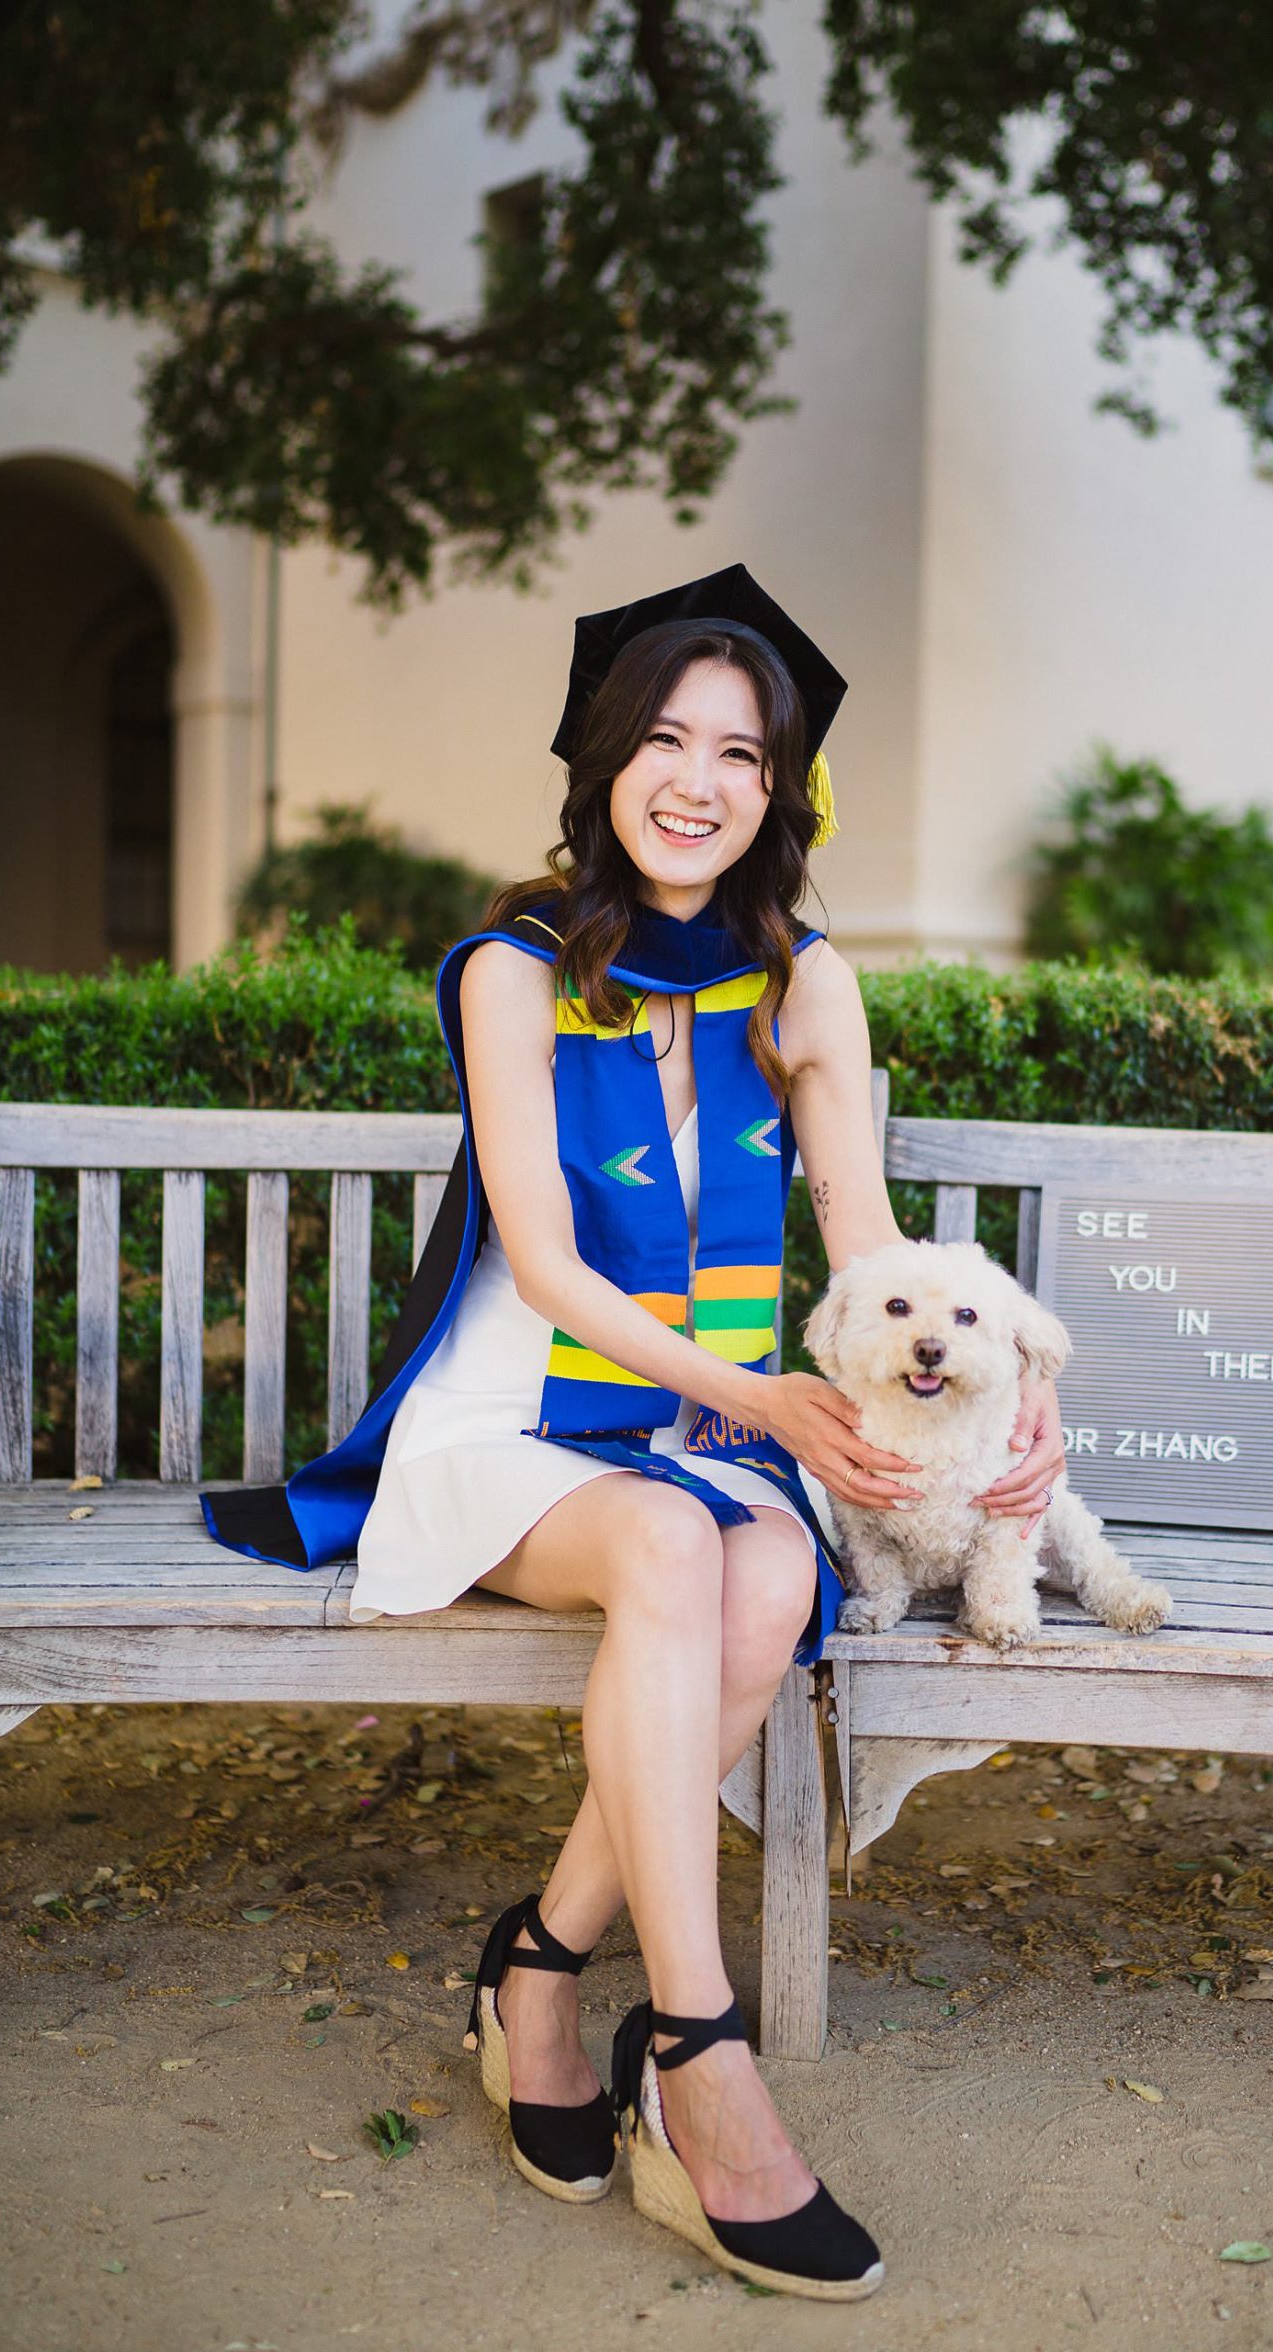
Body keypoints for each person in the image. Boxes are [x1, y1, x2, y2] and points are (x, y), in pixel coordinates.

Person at [201, 564, 1066, 2300]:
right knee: (686, 1543)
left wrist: (1010, 1416)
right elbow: (540, 1260)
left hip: (711, 1434)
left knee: (749, 1582)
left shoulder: (805, 986)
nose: (698, 780)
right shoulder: (514, 974)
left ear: (780, 791)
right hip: (517, 1430)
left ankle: (538, 1966)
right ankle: (696, 2056)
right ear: (602, 764)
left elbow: (874, 1246)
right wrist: (763, 1402)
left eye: (741, 755)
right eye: (663, 740)